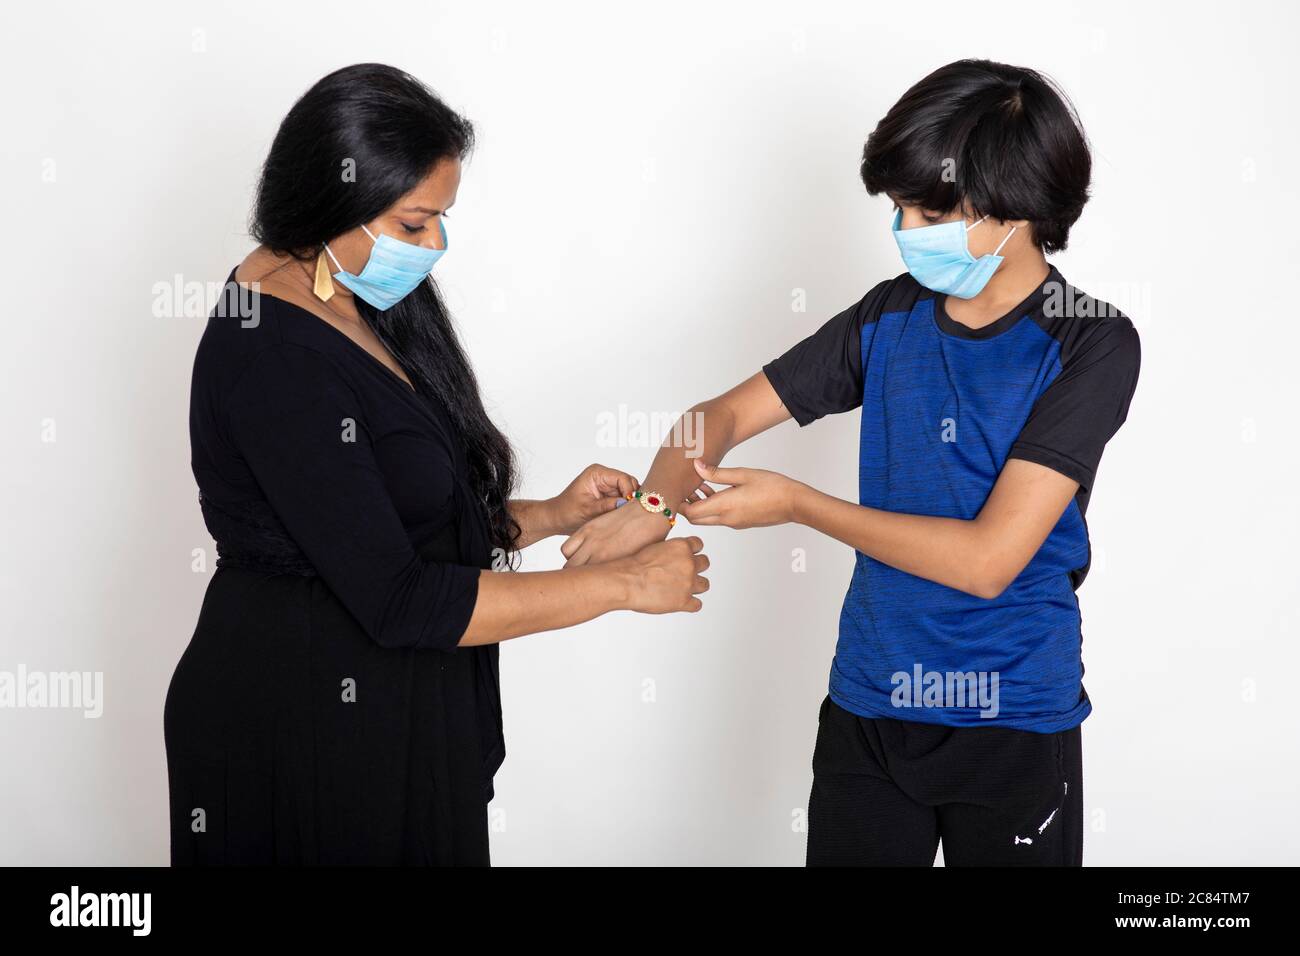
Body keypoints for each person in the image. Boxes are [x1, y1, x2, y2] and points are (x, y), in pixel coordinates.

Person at [563, 59, 1140, 866]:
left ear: (1017, 205)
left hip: (1012, 722)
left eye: (928, 208)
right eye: (898, 206)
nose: (905, 228)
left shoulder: (1090, 343)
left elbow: (987, 561)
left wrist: (799, 505)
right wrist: (652, 507)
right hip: (869, 707)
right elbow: (719, 417)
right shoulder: (890, 315)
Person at [164, 63, 710, 866]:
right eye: (415, 222)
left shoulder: (355, 293)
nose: (435, 245)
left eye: (442, 219)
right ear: (330, 200)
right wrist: (627, 586)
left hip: (392, 716)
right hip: (298, 730)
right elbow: (401, 599)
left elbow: (390, 526)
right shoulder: (271, 353)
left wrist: (554, 515)